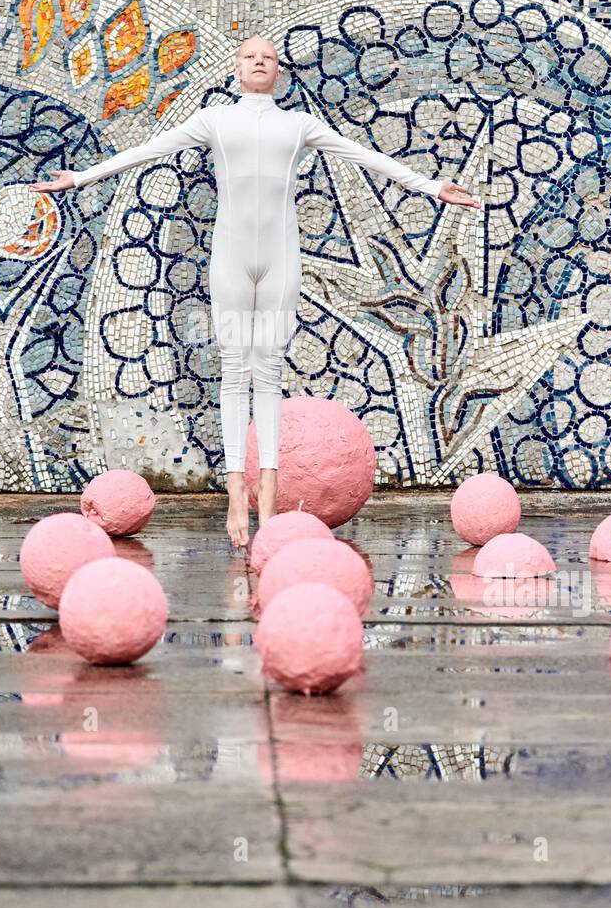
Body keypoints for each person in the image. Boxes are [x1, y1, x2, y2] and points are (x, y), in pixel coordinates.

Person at [29, 37, 481, 547]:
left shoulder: (298, 125)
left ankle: (268, 494)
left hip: (282, 258)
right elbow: (149, 150)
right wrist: (83, 177)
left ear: (278, 71)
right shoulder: (215, 120)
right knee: (233, 370)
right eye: (249, 56)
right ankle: (234, 493)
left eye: (267, 56)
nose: (259, 61)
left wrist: (431, 187)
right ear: (238, 68)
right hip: (230, 256)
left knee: (268, 371)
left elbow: (366, 156)